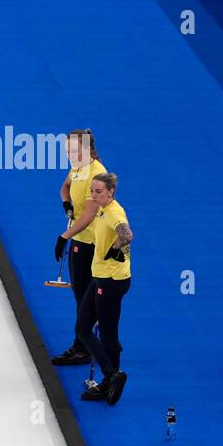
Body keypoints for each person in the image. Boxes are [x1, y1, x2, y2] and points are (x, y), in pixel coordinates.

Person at [51, 129, 109, 366]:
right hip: (80, 240)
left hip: (93, 243)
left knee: (86, 298)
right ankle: (97, 341)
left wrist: (64, 236)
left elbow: (89, 214)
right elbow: (64, 187)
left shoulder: (97, 175)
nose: (70, 155)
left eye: (74, 151)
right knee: (81, 296)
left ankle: (85, 348)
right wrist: (66, 205)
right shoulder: (78, 167)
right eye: (67, 151)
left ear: (87, 149)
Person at [73, 173, 132, 405]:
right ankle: (111, 374)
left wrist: (115, 248)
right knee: (83, 327)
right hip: (100, 277)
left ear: (111, 192)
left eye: (98, 191)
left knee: (107, 332)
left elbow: (127, 234)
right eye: (92, 191)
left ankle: (110, 378)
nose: (93, 195)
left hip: (111, 281)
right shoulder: (102, 209)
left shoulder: (114, 212)